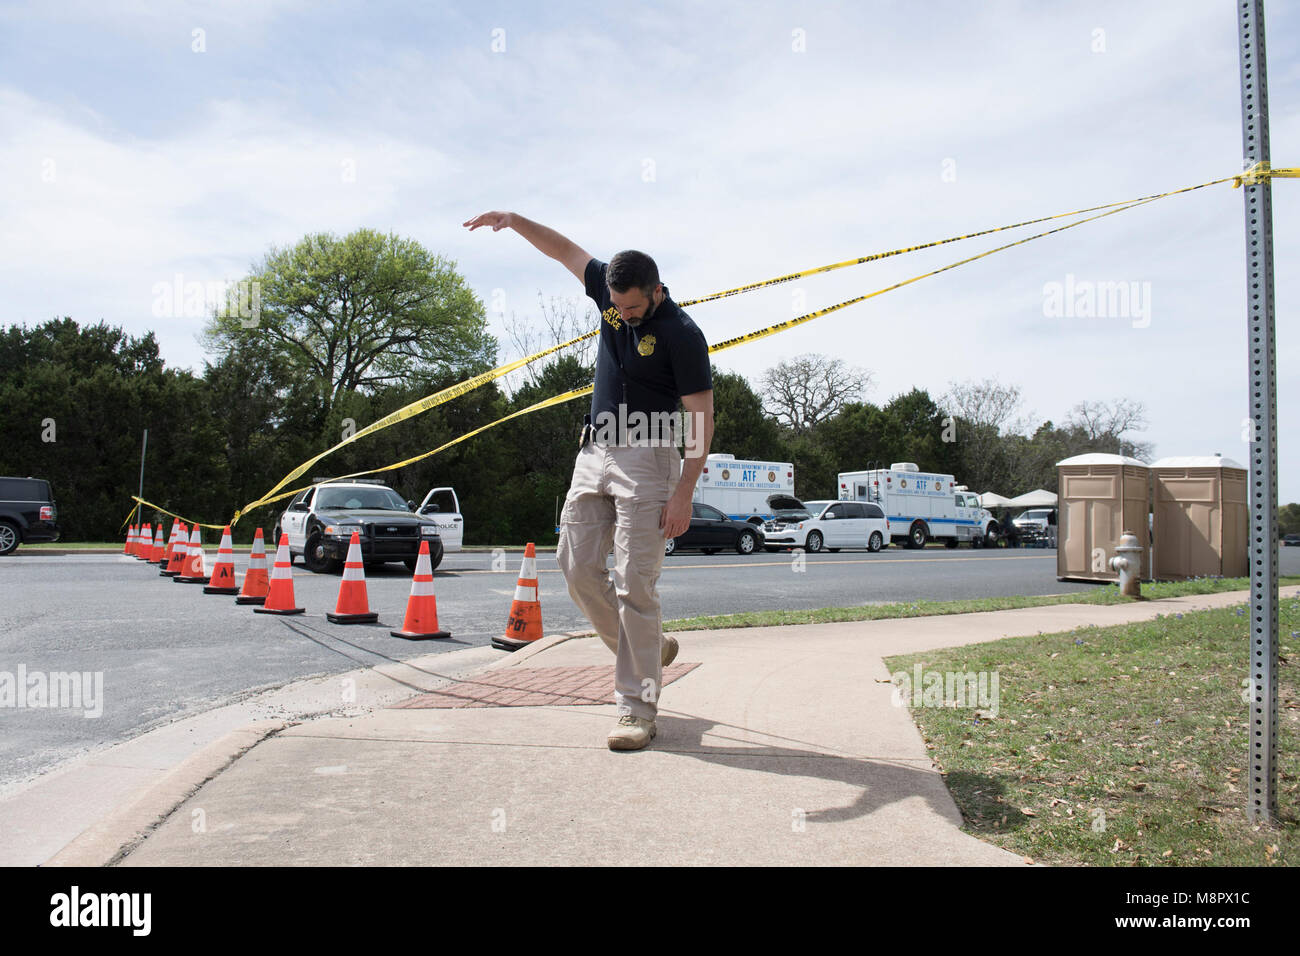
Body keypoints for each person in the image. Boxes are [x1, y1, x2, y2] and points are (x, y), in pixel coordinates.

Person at [464, 211, 714, 751]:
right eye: (616, 306)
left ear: (657, 291)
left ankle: (636, 710)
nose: (623, 315)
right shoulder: (608, 289)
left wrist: (684, 492)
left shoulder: (683, 335)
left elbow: (700, 419)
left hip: (649, 456)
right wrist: (513, 220)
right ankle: (650, 649)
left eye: (633, 308)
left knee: (635, 584)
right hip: (594, 449)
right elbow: (563, 250)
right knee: (575, 567)